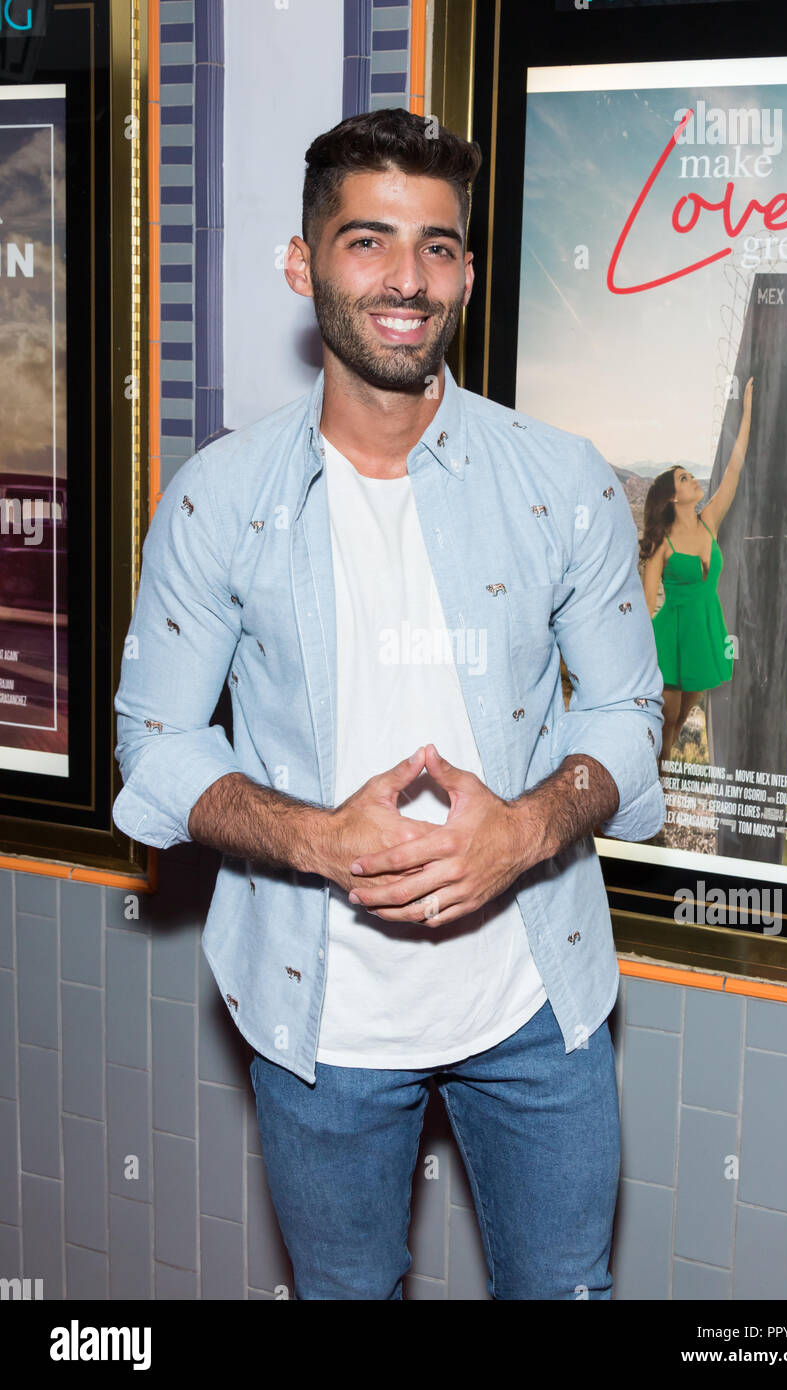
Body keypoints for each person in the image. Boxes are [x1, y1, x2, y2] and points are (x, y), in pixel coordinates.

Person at [111, 109, 665, 1301]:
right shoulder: (216, 500)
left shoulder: (558, 478)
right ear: (305, 263)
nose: (407, 280)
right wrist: (317, 838)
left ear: (465, 267)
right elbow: (152, 750)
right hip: (321, 1024)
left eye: (438, 246)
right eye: (367, 242)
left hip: (533, 1004)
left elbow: (625, 710)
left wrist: (520, 830)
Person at [640, 378, 753, 764]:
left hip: (706, 629)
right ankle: (658, 774)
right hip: (673, 634)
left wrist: (748, 409)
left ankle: (663, 765)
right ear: (673, 496)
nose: (693, 480)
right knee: (669, 715)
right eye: (685, 479)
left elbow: (734, 469)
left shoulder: (710, 521)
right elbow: (645, 601)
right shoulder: (662, 543)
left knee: (689, 709)